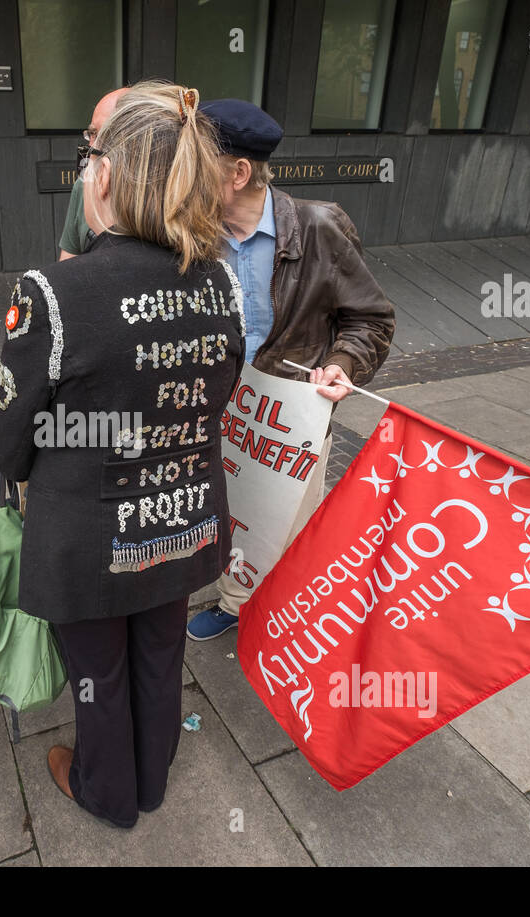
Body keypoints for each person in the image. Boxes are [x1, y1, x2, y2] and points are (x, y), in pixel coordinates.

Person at [0, 81, 244, 828]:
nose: (84, 170)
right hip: (183, 519)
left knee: (98, 671)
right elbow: (210, 396)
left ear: (105, 173)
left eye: (88, 156)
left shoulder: (54, 292)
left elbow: (10, 444)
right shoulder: (221, 282)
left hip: (89, 539)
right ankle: (151, 779)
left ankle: (108, 793)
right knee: (161, 658)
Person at [185, 99, 396, 642]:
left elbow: (369, 318)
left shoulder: (319, 228)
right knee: (224, 509)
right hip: (219, 410)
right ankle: (234, 595)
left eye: (196, 160)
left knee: (286, 522)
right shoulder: (189, 234)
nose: (182, 172)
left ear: (237, 173)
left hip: (291, 417)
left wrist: (341, 363)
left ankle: (270, 608)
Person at [58, 87, 127, 260]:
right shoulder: (83, 185)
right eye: (92, 134)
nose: (91, 146)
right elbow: (68, 262)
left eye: (100, 133)